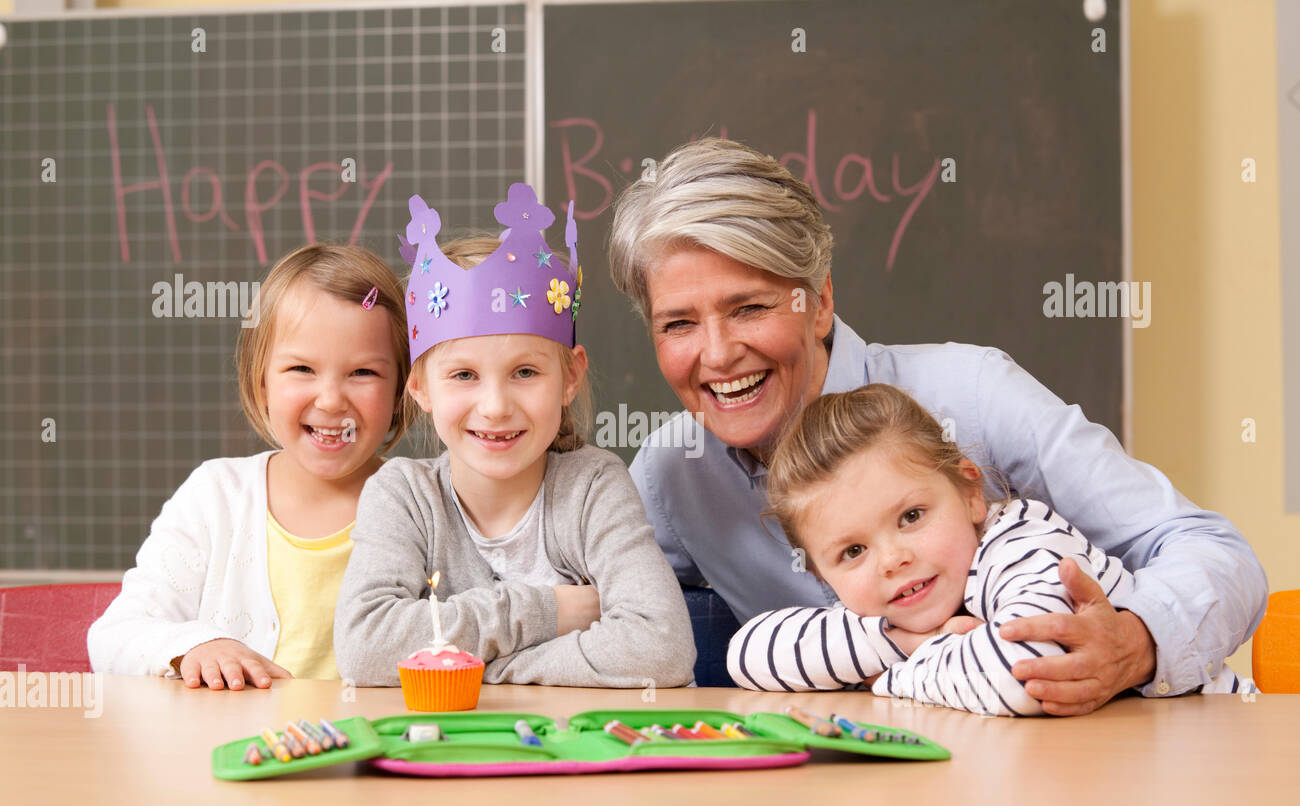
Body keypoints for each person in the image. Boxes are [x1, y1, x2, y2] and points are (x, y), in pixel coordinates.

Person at [611, 137, 1267, 715]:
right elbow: (611, 612)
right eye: (679, 324)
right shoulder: (673, 474)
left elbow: (1216, 552)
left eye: (749, 308)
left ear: (820, 301)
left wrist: (1134, 642)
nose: (718, 353)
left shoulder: (973, 396)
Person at [333, 184, 693, 687]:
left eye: (525, 372)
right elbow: (366, 649)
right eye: (463, 375)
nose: (497, 406)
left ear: (570, 377)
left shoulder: (592, 488)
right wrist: (547, 611)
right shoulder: (404, 495)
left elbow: (663, 649)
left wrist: (489, 670)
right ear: (418, 386)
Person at [727, 384, 1256, 714]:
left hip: (1214, 763)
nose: (891, 560)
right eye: (851, 552)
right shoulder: (900, 600)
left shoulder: (1025, 547)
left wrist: (889, 679)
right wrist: (913, 641)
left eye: (912, 517)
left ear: (971, 492)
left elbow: (1023, 678)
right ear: (821, 574)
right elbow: (748, 655)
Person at [87, 244, 414, 687]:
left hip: (377, 749)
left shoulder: (422, 506)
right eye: (301, 368)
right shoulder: (215, 497)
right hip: (232, 752)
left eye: (363, 373)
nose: (332, 398)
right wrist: (194, 646)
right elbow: (113, 638)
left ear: (401, 389)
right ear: (261, 384)